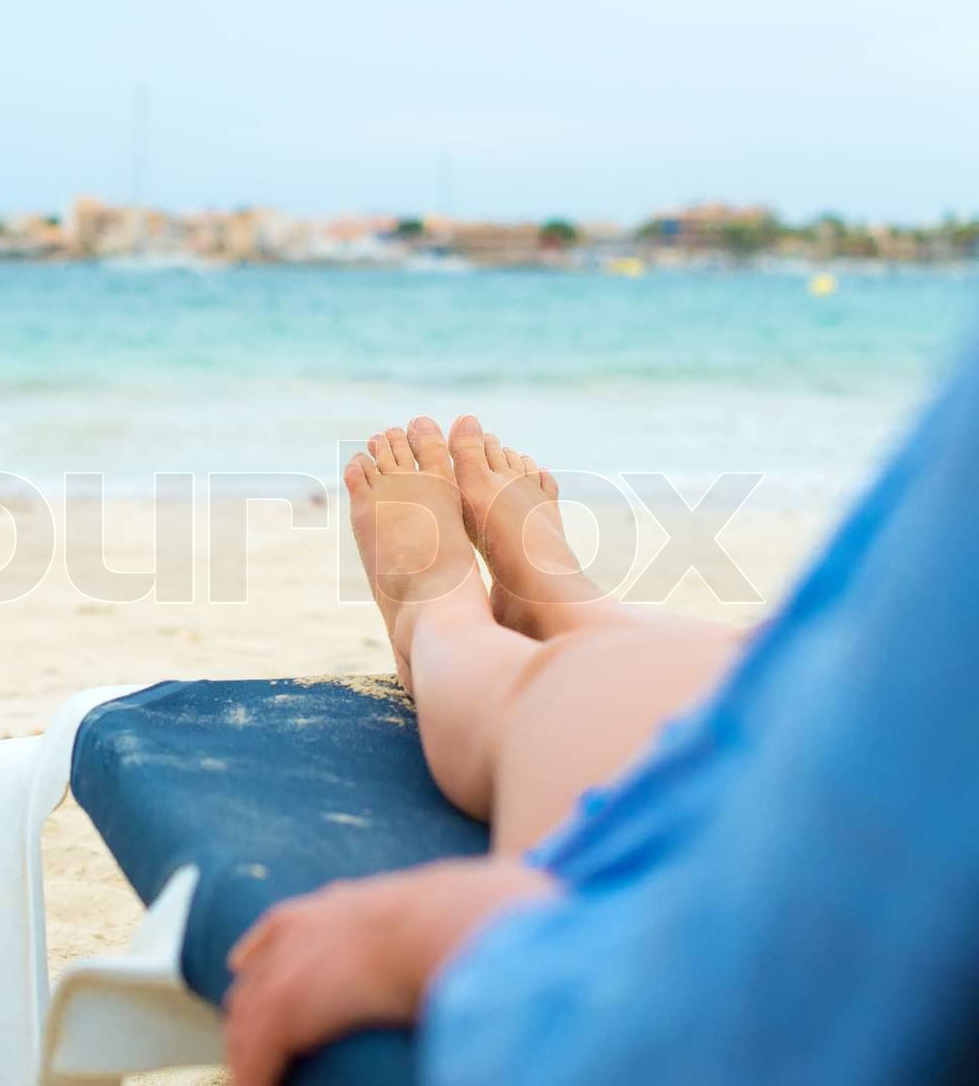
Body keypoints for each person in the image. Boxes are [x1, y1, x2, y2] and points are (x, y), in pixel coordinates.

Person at [223, 351, 979, 1085]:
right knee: (717, 672)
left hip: (736, 849)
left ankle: (439, 612)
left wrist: (411, 941)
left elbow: (706, 1023)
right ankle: (563, 603)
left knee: (605, 689)